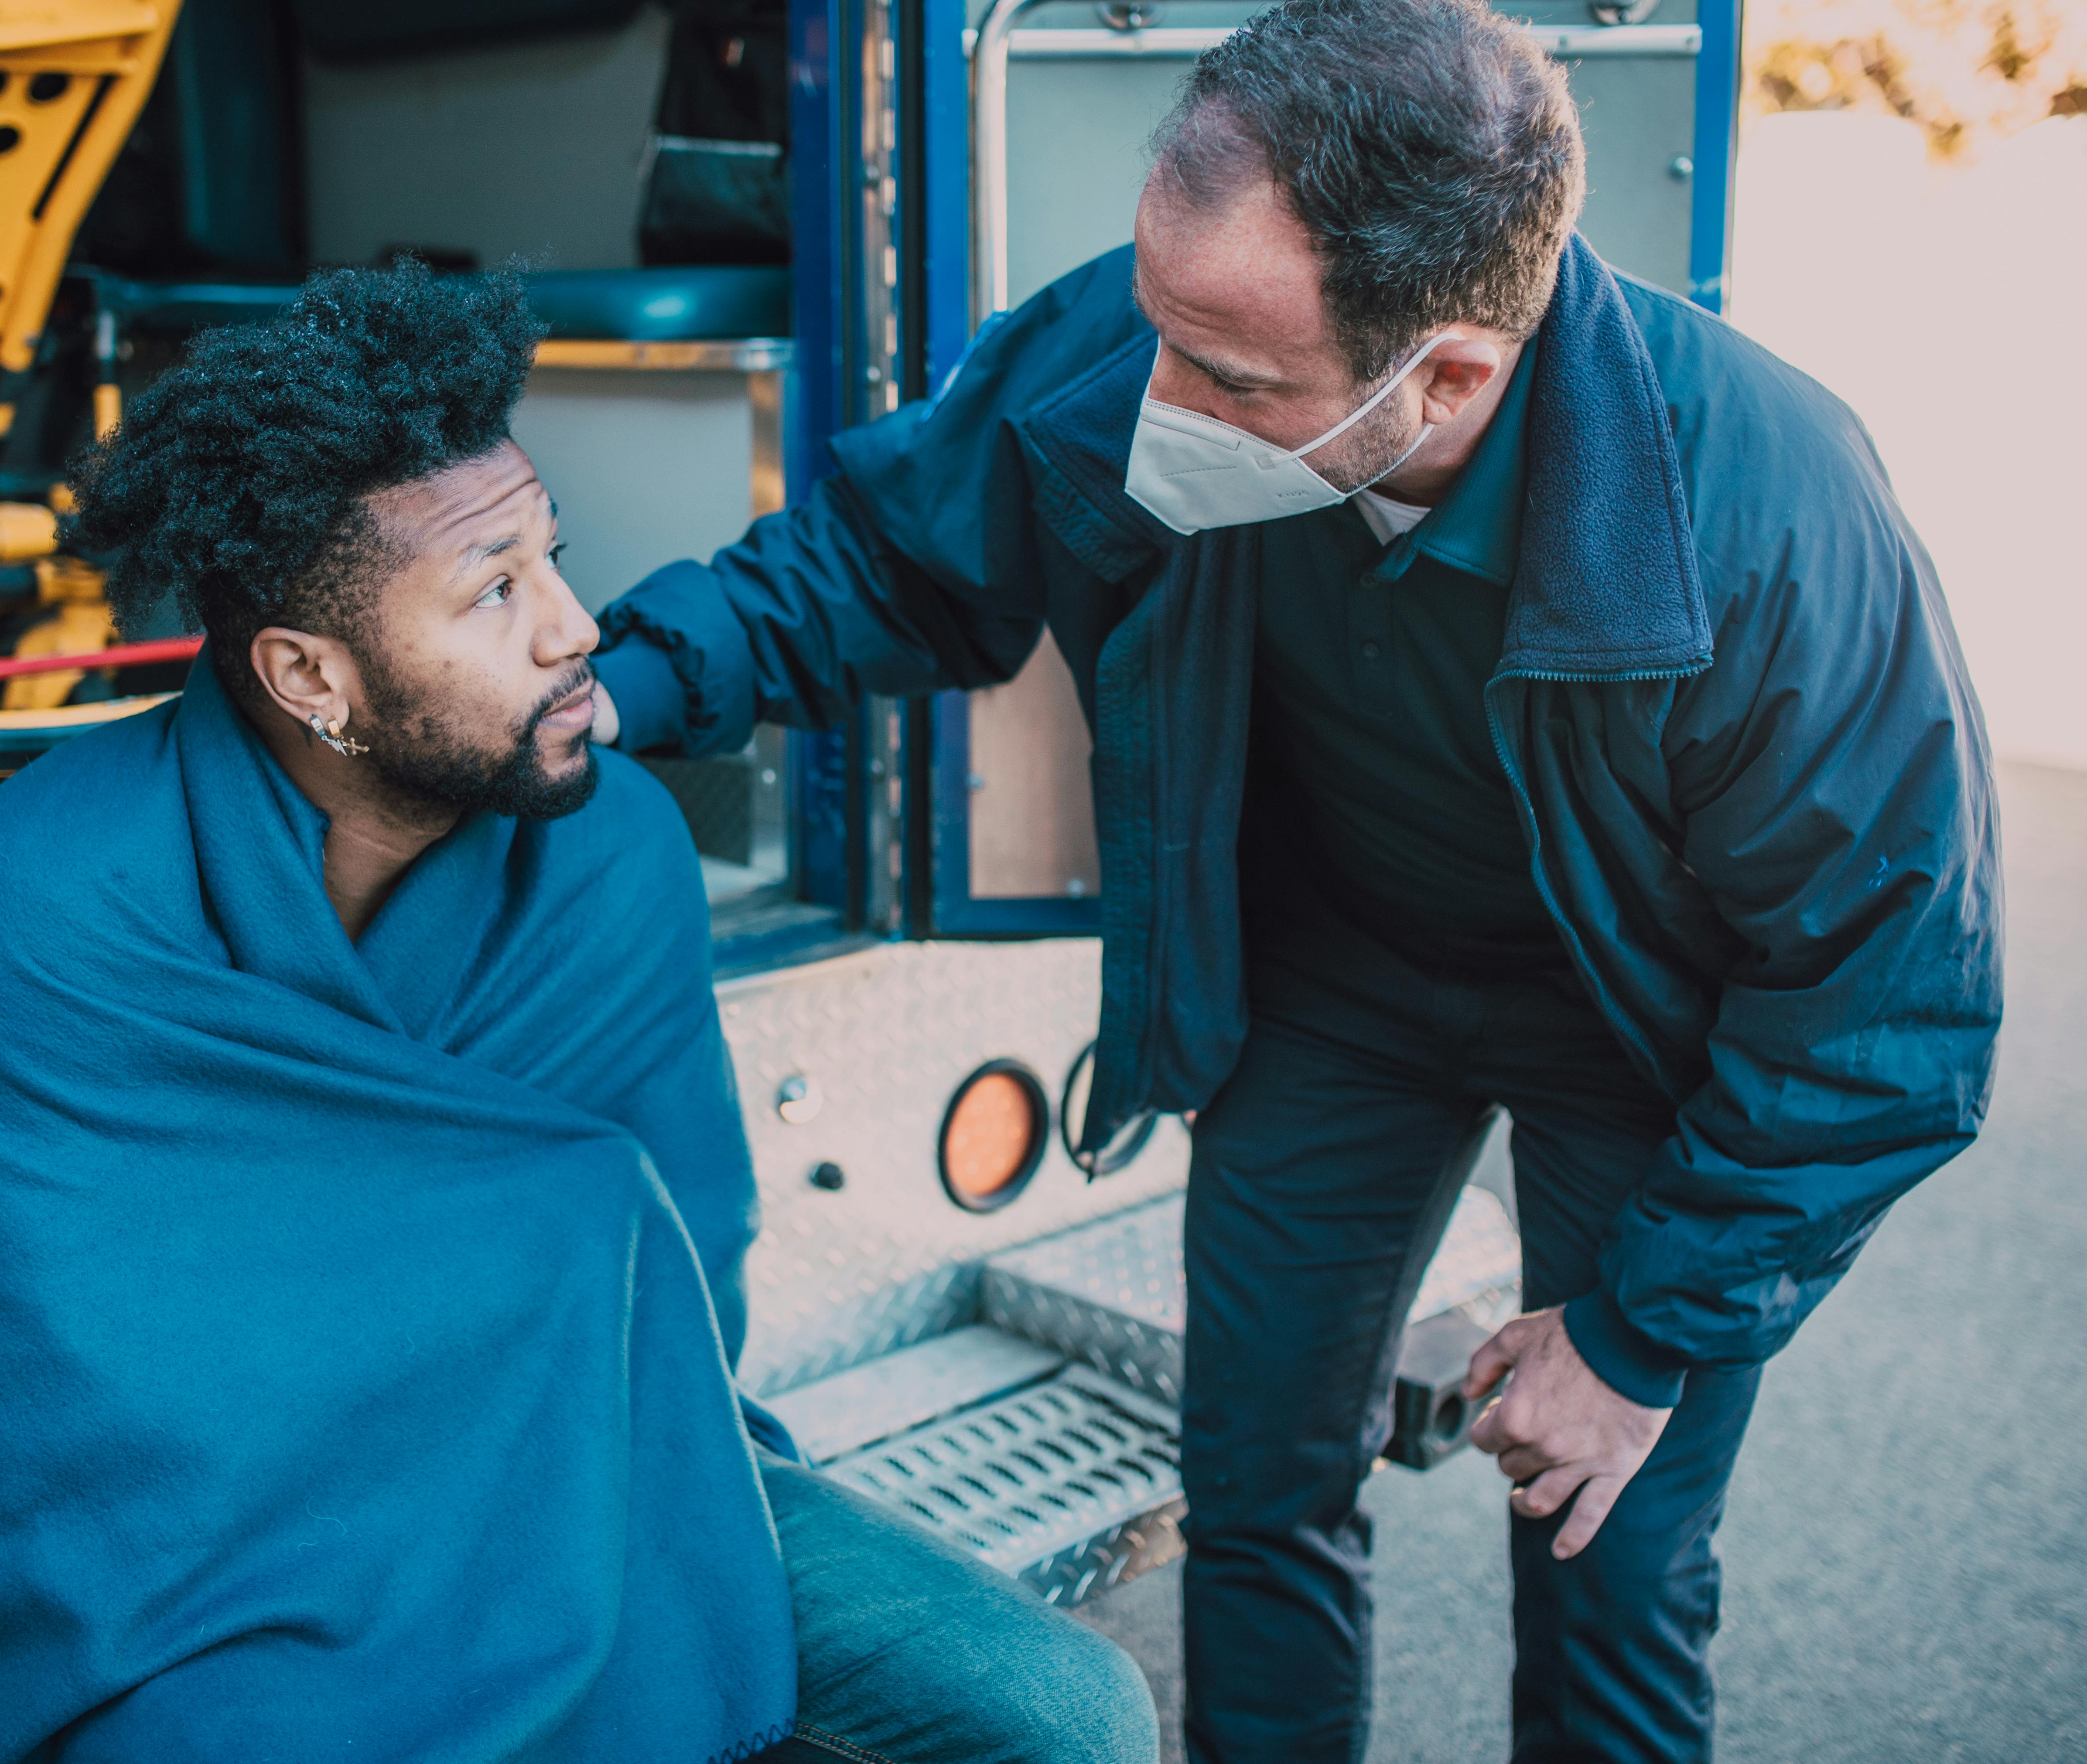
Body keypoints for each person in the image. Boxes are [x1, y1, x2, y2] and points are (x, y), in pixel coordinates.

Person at [583, 1, 2003, 1759]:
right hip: (1329, 987)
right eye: (1163, 333)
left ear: (1453, 374)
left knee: (1610, 1554)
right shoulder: (1171, 324)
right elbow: (884, 556)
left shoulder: (1769, 516)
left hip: (1638, 1033)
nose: (1154, 404)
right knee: (1253, 1493)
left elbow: (1893, 1000)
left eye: (1237, 385)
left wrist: (1638, 1334)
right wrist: (607, 693)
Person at [0, 267, 1156, 1764]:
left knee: (1065, 1710)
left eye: (553, 561)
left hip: (599, 1457)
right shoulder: (46, 894)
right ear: (309, 674)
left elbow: (674, 1279)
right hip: (198, 1568)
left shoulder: (613, 848)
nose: (577, 630)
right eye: (496, 591)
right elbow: (69, 1422)